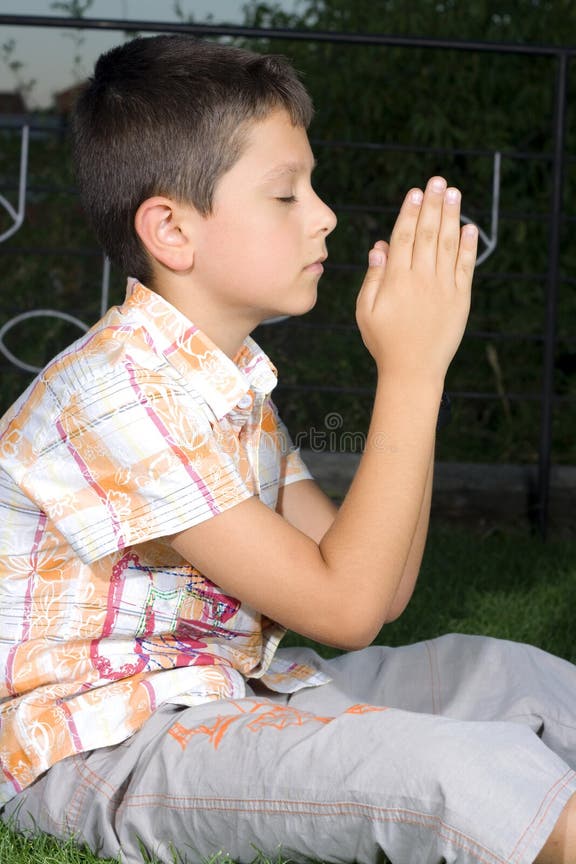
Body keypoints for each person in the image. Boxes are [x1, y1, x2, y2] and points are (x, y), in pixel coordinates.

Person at [1, 33, 575, 864]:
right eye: (285, 195)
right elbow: (342, 607)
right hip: (106, 747)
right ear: (171, 229)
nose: (325, 214)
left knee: (505, 673)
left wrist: (422, 371)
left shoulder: (231, 386)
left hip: (235, 692)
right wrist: (408, 376)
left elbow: (375, 594)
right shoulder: (113, 395)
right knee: (457, 768)